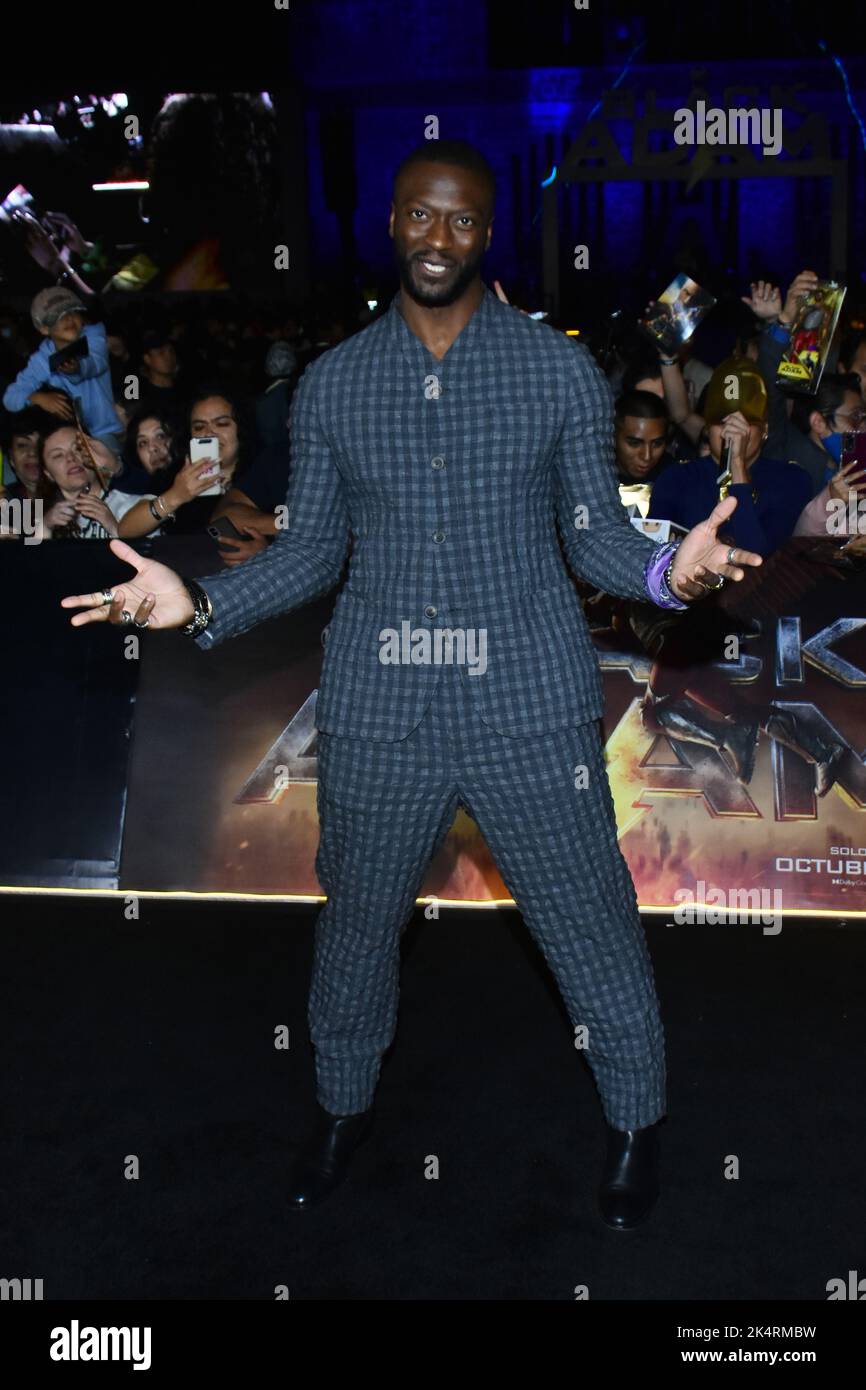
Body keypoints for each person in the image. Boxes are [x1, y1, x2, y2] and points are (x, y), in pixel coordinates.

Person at [60, 140, 761, 1231]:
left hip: (527, 704)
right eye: (420, 217)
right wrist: (193, 602)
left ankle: (634, 1122)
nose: (439, 239)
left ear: (487, 234)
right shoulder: (333, 386)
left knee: (589, 923)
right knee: (356, 927)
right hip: (381, 711)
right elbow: (308, 553)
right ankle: (341, 1110)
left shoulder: (552, 372)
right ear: (390, 222)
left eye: (463, 222)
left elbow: (590, 535)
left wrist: (672, 569)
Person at [649, 357, 812, 557]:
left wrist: (736, 465)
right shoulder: (677, 478)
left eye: (746, 421)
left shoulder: (791, 480)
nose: (733, 429)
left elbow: (756, 557)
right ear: (708, 429)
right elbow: (653, 556)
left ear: (765, 430)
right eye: (722, 420)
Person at [2, 287, 123, 459]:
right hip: (71, 439)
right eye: (58, 316)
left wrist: (77, 368)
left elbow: (96, 363)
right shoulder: (41, 360)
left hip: (107, 432)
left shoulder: (95, 336)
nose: (68, 318)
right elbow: (10, 398)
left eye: (72, 311)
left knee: (105, 463)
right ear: (44, 329)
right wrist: (38, 398)